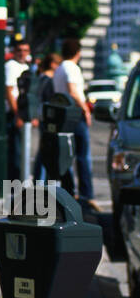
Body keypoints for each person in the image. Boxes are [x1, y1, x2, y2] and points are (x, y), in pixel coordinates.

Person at [52, 38, 96, 206]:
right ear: (78, 52)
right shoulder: (72, 68)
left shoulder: (59, 69)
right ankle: (86, 194)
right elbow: (73, 91)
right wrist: (85, 109)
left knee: (66, 155)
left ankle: (69, 191)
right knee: (83, 156)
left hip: (62, 115)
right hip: (74, 114)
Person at [4, 40, 31, 180]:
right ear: (14, 51)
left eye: (25, 50)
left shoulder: (26, 67)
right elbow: (9, 91)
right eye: (19, 50)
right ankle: (14, 181)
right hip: (13, 113)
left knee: (21, 149)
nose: (22, 53)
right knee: (15, 150)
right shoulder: (10, 66)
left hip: (23, 113)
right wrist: (17, 114)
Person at [31, 52, 60, 181]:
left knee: (43, 150)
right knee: (47, 151)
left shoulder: (40, 78)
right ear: (53, 65)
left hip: (41, 117)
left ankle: (39, 179)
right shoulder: (50, 80)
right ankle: (41, 179)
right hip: (48, 119)